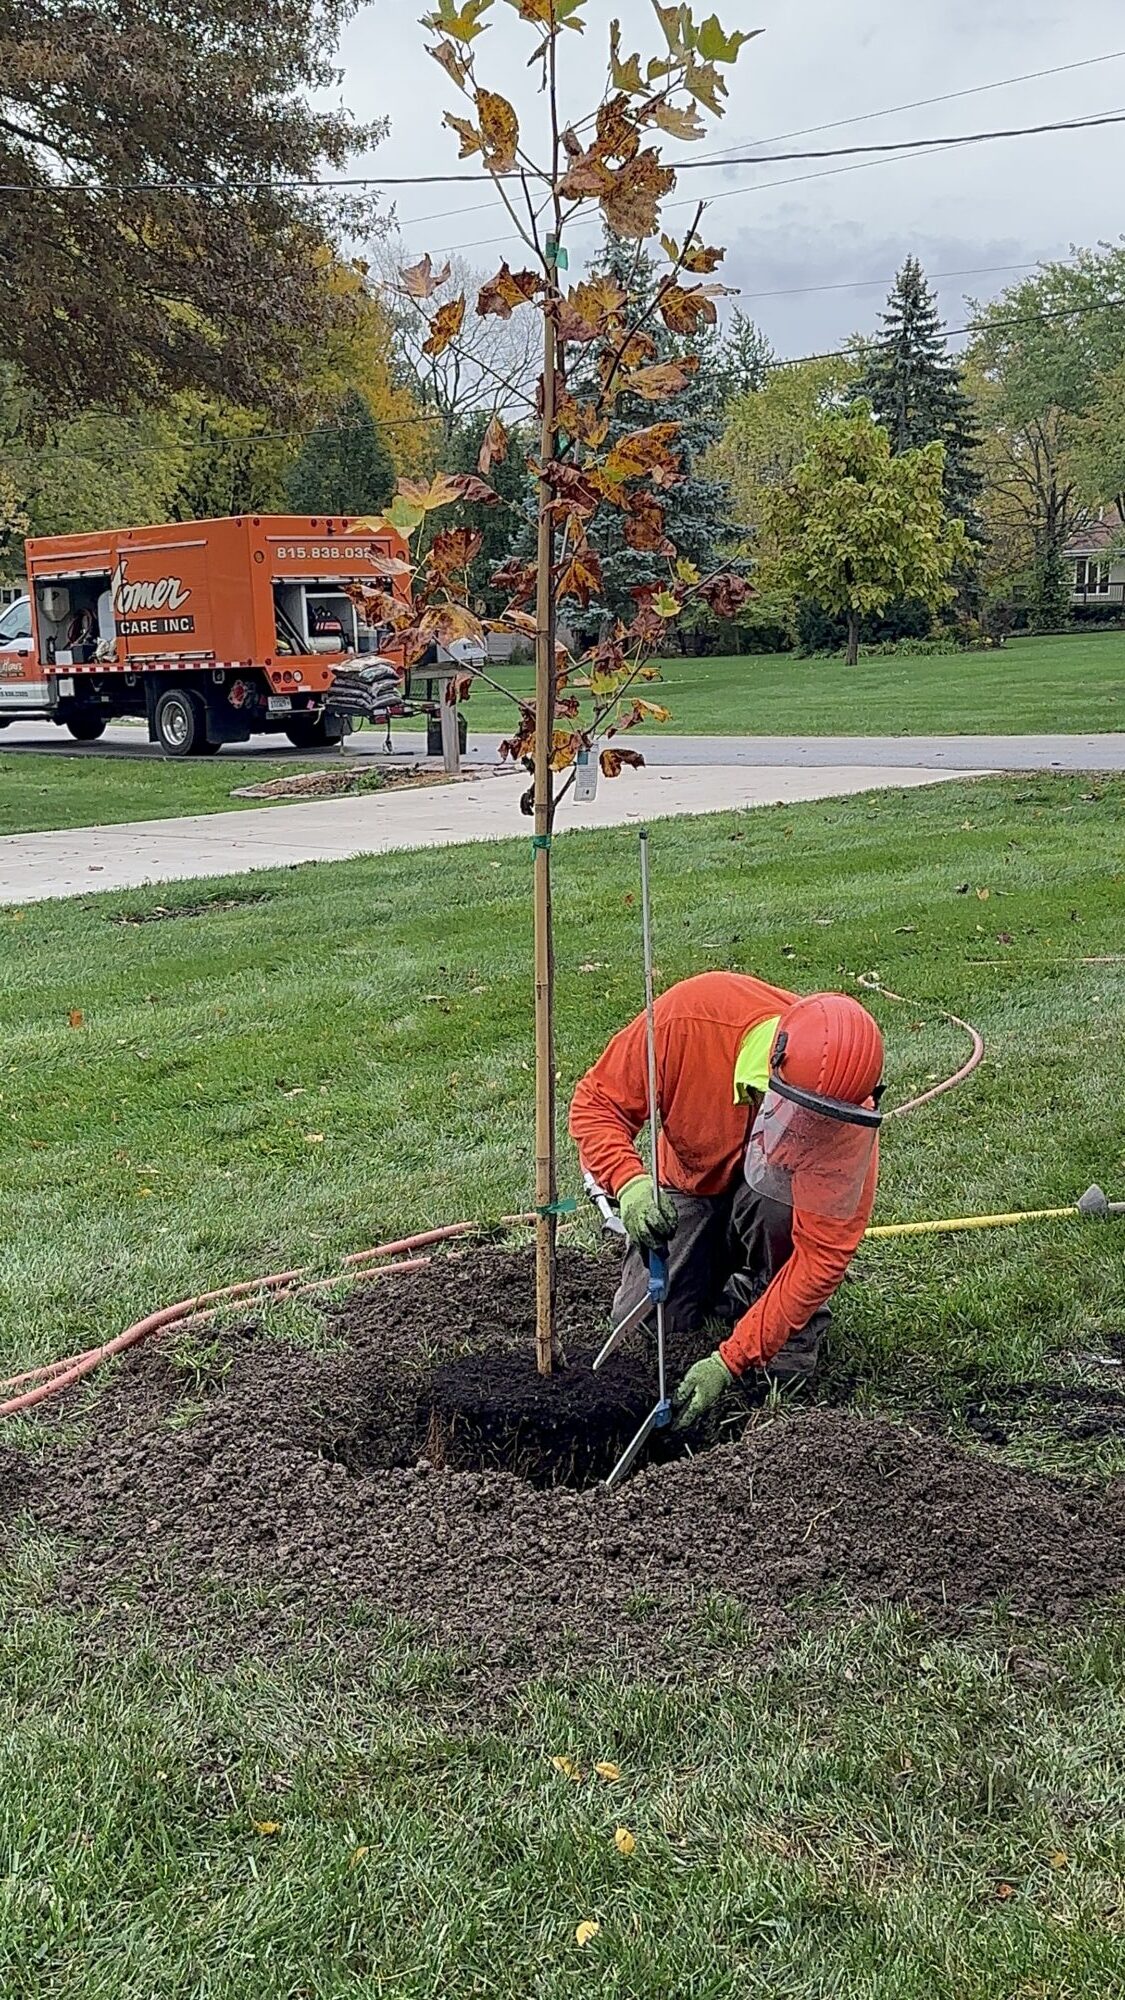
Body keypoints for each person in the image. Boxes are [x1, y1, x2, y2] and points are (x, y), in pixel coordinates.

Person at [569, 973, 884, 1428]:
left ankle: (779, 1309)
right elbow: (597, 1104)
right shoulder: (688, 1020)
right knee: (650, 1326)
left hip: (772, 1202)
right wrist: (629, 1182)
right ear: (770, 1071)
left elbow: (821, 1257)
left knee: (776, 1208)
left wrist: (730, 1360)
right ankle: (731, 1286)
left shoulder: (845, 1115)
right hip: (691, 1184)